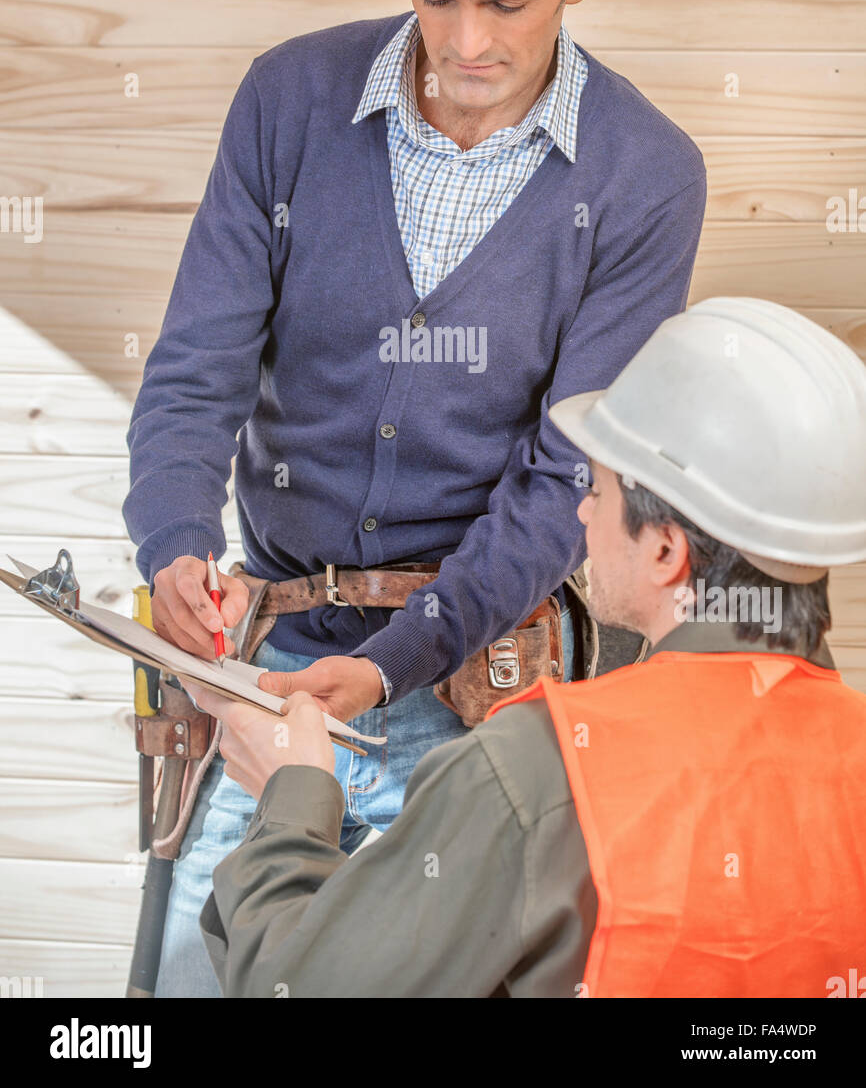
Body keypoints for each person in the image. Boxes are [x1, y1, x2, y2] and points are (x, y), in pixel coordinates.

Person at [122, 0, 706, 996]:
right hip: (261, 677)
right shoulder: (289, 99)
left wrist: (394, 662)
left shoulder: (646, 176)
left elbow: (564, 479)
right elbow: (195, 368)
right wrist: (176, 543)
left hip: (481, 698)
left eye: (509, 1)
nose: (465, 45)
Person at [188, 297, 866, 998]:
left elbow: (302, 988)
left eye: (597, 491)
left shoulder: (543, 764)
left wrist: (290, 799)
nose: (581, 513)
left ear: (667, 550)